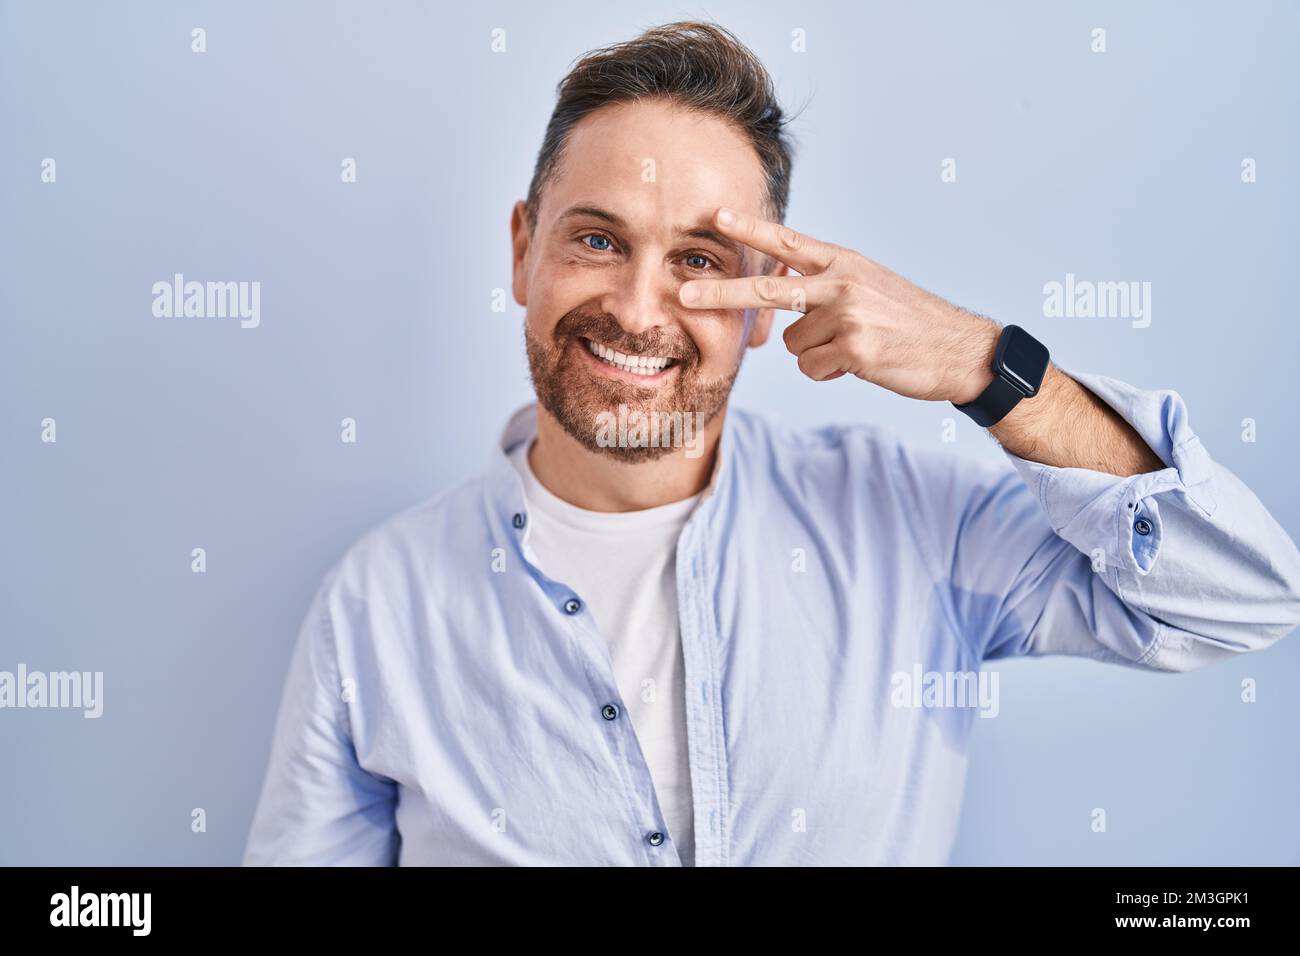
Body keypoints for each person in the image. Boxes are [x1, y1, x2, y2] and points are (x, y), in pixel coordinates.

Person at [244, 21, 1300, 866]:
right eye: (597, 238)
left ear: (766, 305)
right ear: (525, 249)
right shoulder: (375, 606)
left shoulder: (912, 526)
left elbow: (1245, 595)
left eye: (703, 259)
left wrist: (989, 366)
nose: (638, 307)